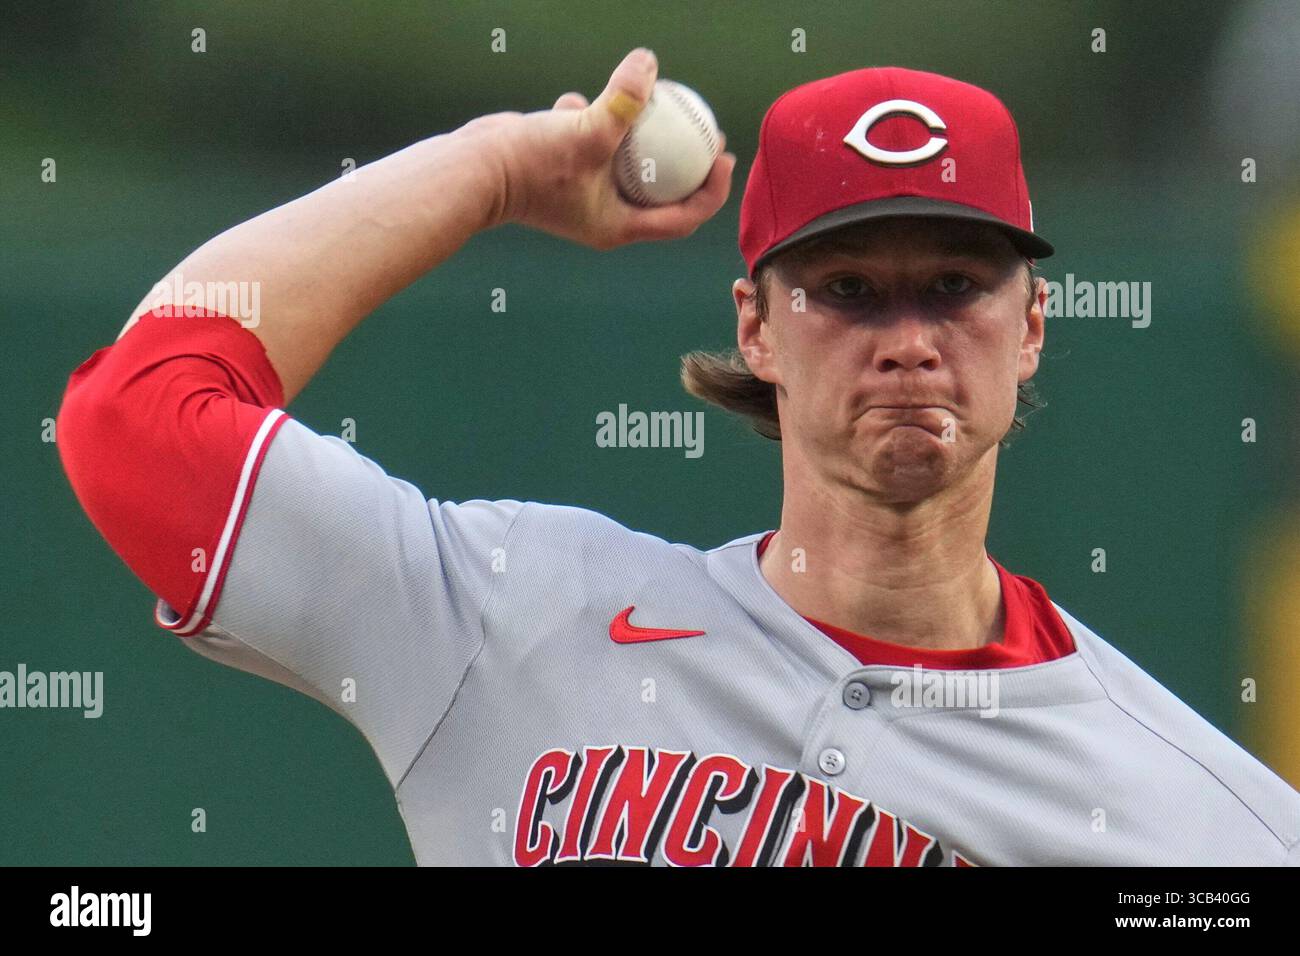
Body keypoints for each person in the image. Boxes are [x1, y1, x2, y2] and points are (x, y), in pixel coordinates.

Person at [57, 49, 1299, 866]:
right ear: (755, 327)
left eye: (958, 287)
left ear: (1030, 328)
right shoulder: (510, 620)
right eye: (849, 288)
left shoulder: (1200, 827)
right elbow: (135, 419)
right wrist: (488, 169)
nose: (909, 340)